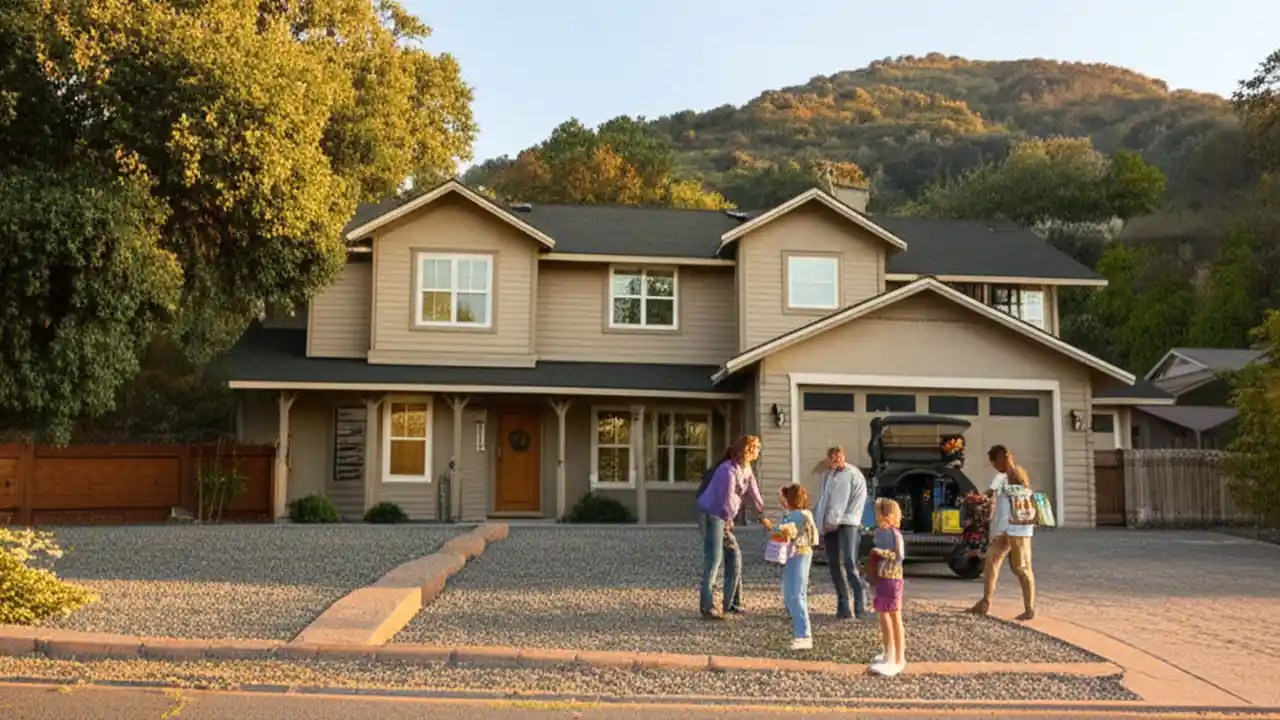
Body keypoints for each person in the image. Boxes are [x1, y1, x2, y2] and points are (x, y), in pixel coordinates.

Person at [696, 434, 765, 619]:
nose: (758, 450)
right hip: (712, 513)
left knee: (734, 556)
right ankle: (707, 606)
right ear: (746, 449)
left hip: (724, 515)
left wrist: (762, 515)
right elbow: (724, 499)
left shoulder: (746, 469)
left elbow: (754, 493)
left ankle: (732, 604)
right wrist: (728, 519)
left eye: (759, 447)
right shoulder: (727, 470)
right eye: (756, 447)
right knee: (715, 558)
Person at [968, 445, 1036, 621]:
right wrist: (979, 499)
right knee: (991, 562)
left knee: (1021, 567)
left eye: (994, 462)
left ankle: (1029, 608)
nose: (994, 466)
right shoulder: (1000, 478)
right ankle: (985, 602)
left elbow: (1021, 496)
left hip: (1019, 528)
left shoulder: (1019, 475)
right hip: (1002, 529)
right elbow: (988, 494)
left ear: (1002, 459)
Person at [813, 446, 871, 620]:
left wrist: (830, 523)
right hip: (835, 522)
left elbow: (838, 502)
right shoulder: (830, 475)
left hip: (846, 523)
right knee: (835, 565)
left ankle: (859, 605)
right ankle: (844, 605)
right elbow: (824, 501)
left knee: (848, 563)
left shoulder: (846, 475)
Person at [775, 483, 819, 650]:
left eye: (783, 498)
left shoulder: (797, 515)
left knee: (796, 594)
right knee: (790, 594)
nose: (781, 500)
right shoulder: (800, 514)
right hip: (794, 555)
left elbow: (780, 532)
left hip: (799, 554)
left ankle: (804, 635)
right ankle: (800, 631)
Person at [868, 497, 906, 676]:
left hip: (892, 578)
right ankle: (888, 652)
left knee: (894, 616)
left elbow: (898, 555)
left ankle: (898, 658)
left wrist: (879, 552)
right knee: (883, 616)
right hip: (883, 578)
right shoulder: (880, 533)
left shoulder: (894, 534)